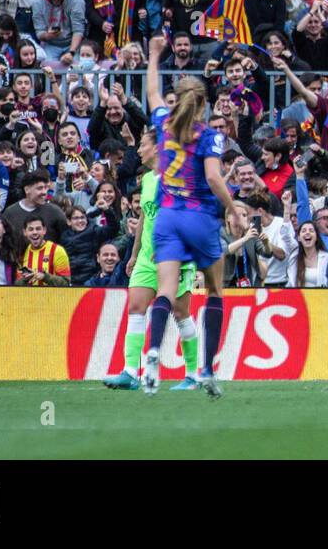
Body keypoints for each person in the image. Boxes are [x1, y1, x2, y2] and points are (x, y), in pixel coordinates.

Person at [140, 35, 242, 398]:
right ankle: (209, 370)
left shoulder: (163, 123)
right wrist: (233, 211)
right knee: (214, 290)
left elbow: (152, 89)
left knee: (165, 291)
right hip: (198, 218)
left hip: (167, 217)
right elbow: (214, 177)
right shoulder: (209, 136)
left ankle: (152, 351)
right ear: (203, 105)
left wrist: (153, 55)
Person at [101, 127, 201, 391]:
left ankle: (193, 374)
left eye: (142, 145)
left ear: (157, 147)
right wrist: (134, 253)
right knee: (136, 307)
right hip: (147, 256)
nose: (138, 150)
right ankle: (130, 372)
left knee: (180, 313)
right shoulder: (147, 179)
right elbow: (145, 217)